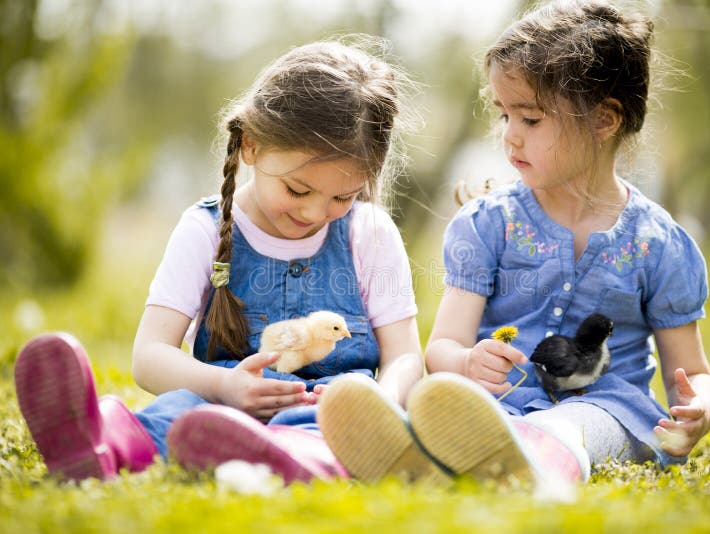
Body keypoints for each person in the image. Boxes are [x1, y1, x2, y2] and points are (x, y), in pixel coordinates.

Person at [318, 0, 710, 488]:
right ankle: (413, 452)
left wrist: (701, 406)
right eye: (504, 114)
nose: (510, 136)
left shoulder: (658, 244)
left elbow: (692, 371)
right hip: (497, 406)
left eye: (529, 119)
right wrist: (466, 363)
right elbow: (443, 347)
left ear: (604, 121)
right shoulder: (489, 225)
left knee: (572, 426)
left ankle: (533, 468)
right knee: (442, 400)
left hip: (607, 412)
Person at [13, 38, 424, 483]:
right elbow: (149, 356)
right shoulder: (205, 229)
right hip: (218, 403)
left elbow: (405, 356)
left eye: (342, 196)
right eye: (297, 190)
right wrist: (224, 386)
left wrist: (381, 402)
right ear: (251, 146)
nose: (312, 213)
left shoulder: (370, 233)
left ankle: (291, 460)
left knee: (328, 429)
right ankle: (97, 443)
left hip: (331, 413)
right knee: (175, 412)